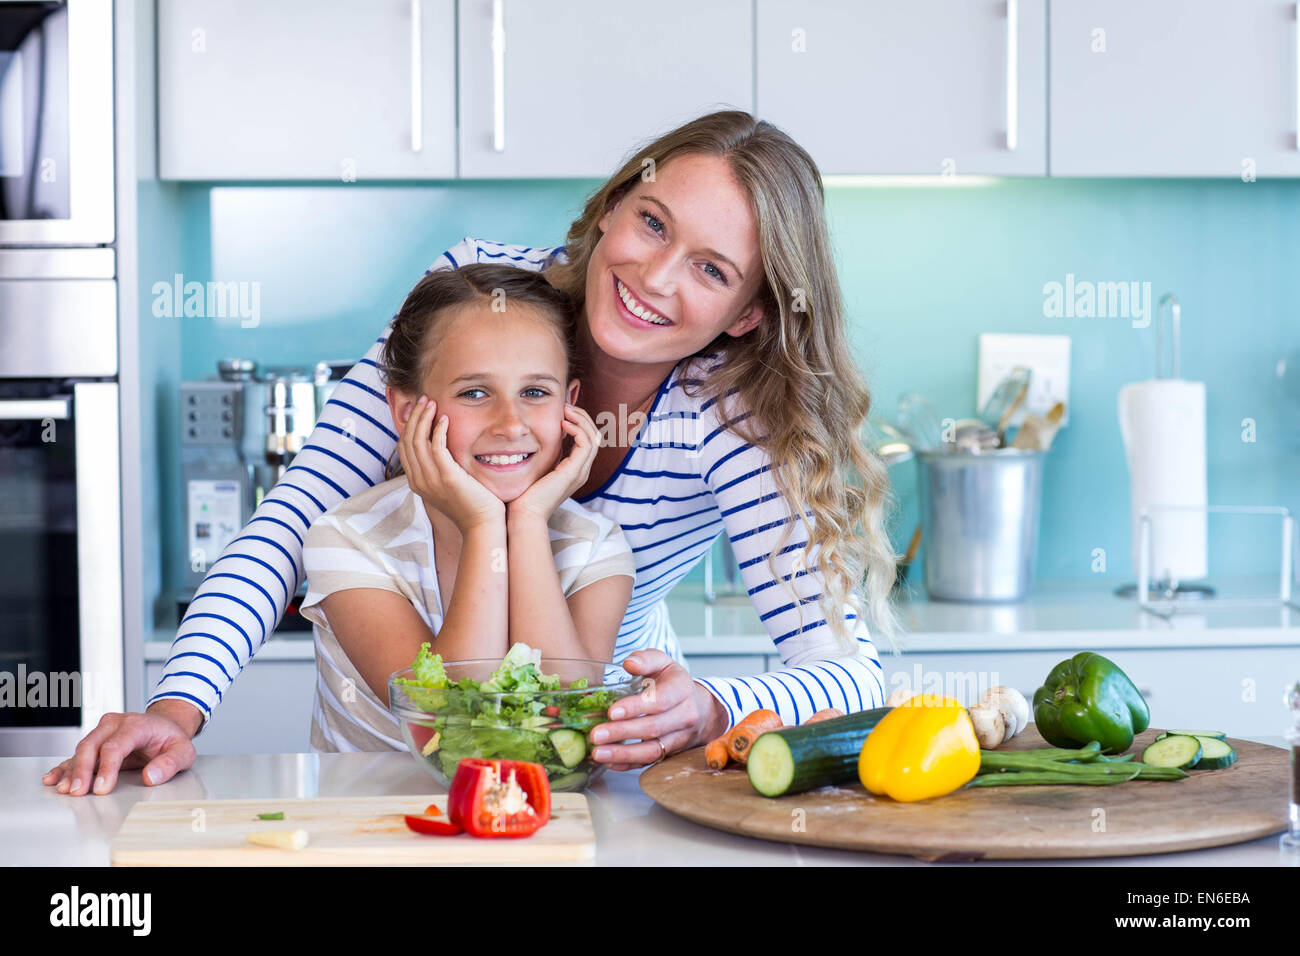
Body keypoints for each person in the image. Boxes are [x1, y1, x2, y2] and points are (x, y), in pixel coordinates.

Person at [45, 109, 897, 795]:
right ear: (612, 207)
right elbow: (292, 520)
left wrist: (713, 706)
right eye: (651, 223)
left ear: (747, 313)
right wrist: (179, 703)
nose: (654, 277)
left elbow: (847, 672)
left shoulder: (733, 412)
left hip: (580, 737)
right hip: (397, 738)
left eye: (712, 271)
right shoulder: (482, 294)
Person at [300, 263, 635, 751]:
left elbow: (565, 724)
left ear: (571, 403)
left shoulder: (595, 547)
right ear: (408, 411)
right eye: (475, 393)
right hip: (370, 816)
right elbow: (446, 726)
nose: (511, 422)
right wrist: (483, 527)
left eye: (536, 392)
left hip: (544, 816)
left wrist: (526, 522)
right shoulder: (348, 539)